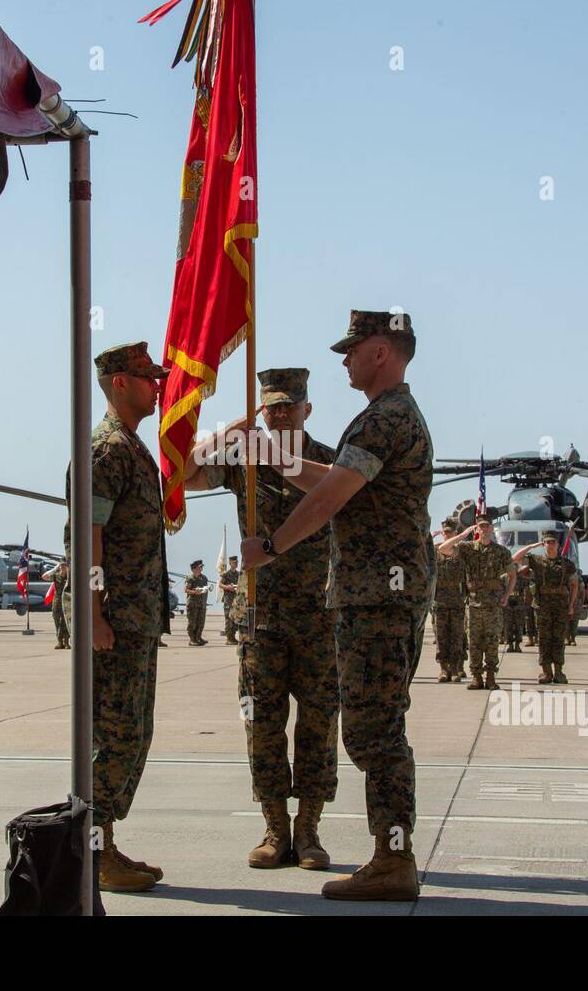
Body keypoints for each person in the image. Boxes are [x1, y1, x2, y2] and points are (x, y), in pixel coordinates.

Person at [241, 309, 432, 902]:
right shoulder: (390, 415)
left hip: (378, 598)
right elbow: (335, 480)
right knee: (377, 729)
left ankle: (393, 859)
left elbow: (329, 500)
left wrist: (270, 546)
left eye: (353, 349)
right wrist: (279, 460)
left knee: (376, 733)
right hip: (379, 595)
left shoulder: (384, 418)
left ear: (382, 351)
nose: (345, 360)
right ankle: (389, 855)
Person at [185, 368, 339, 870]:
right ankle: (275, 827)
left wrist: (277, 457)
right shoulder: (244, 461)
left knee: (318, 722)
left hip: (319, 615)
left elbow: (344, 493)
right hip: (260, 616)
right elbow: (183, 473)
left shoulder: (330, 459)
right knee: (262, 723)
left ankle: (309, 829)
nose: (281, 414)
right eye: (272, 407)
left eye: (289, 405)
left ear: (307, 409)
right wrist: (231, 430)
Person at [71, 341, 170, 893]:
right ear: (119, 383)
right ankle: (92, 853)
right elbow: (88, 537)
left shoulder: (130, 447)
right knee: (113, 737)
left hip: (135, 619)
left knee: (131, 733)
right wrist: (93, 614)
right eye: (148, 378)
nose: (157, 387)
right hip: (114, 619)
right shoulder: (107, 450)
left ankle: (103, 843)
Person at [442, 519, 515, 689]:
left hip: (493, 605)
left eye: (487, 526)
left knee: (492, 642)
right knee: (474, 642)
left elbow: (512, 575)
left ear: (491, 528)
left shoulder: (501, 551)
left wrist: (507, 595)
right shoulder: (467, 548)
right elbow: (443, 549)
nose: (484, 529)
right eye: (480, 526)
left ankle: (490, 677)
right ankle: (476, 677)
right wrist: (462, 535)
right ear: (476, 529)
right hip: (474, 604)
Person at [512, 531, 578, 684]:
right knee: (544, 639)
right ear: (543, 544)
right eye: (547, 542)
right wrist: (530, 546)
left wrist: (571, 605)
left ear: (558, 544)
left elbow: (574, 585)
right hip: (542, 606)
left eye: (553, 542)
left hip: (561, 606)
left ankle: (559, 672)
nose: (550, 545)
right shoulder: (536, 560)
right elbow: (514, 559)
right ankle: (546, 672)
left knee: (559, 639)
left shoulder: (567, 564)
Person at [431, 518, 468, 682]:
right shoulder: (435, 551)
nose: (447, 535)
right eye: (444, 532)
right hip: (439, 601)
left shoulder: (461, 552)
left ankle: (455, 669)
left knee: (457, 636)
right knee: (441, 636)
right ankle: (443, 669)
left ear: (455, 533)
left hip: (457, 601)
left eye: (450, 532)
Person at [42, 559, 71, 649]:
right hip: (57, 601)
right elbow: (44, 577)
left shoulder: (70, 576)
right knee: (57, 621)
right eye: (61, 565)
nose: (63, 567)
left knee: (65, 622)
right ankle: (59, 642)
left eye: (64, 565)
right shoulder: (56, 575)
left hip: (66, 601)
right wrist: (54, 569)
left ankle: (66, 642)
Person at [184, 560, 210, 645]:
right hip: (192, 604)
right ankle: (192, 639)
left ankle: (198, 637)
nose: (201, 569)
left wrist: (206, 589)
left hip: (202, 603)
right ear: (194, 569)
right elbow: (186, 590)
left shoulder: (204, 578)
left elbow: (206, 588)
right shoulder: (190, 578)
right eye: (199, 567)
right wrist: (195, 592)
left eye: (201, 567)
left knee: (201, 622)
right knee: (192, 622)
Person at [219, 556, 242, 644]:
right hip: (228, 599)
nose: (236, 564)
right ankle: (229, 638)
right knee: (229, 619)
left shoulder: (238, 574)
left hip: (236, 600)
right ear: (230, 563)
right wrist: (227, 587)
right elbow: (220, 584)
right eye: (234, 562)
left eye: (237, 562)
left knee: (235, 619)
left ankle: (233, 637)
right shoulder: (226, 574)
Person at [505, 572, 529, 652]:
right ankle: (510, 644)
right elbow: (501, 590)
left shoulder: (522, 578)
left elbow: (528, 586)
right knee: (508, 625)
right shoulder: (504, 577)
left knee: (519, 625)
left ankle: (517, 644)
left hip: (519, 604)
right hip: (507, 604)